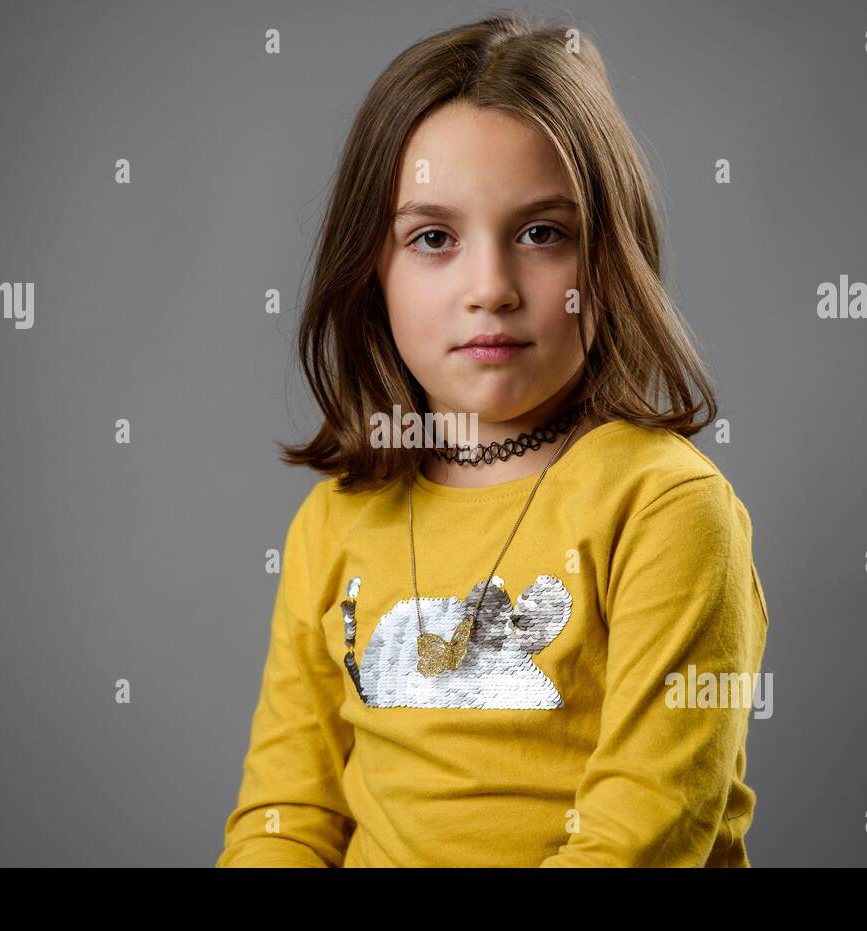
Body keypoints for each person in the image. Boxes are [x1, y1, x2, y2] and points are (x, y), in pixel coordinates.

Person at [216, 11, 770, 867]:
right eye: (433, 238)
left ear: (608, 262)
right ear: (373, 273)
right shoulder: (333, 524)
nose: (491, 287)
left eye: (541, 233)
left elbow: (639, 837)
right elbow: (284, 815)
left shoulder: (666, 509)